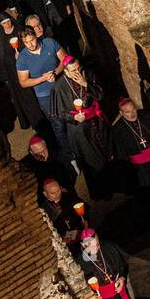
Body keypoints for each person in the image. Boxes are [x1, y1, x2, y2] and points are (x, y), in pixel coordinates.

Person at [50, 55, 112, 199]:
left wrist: (86, 84)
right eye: (73, 71)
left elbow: (101, 95)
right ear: (65, 72)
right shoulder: (59, 87)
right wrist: (73, 117)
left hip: (96, 122)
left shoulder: (88, 74)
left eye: (78, 68)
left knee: (105, 154)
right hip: (78, 129)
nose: (77, 73)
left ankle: (112, 185)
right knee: (89, 161)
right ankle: (99, 193)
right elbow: (59, 114)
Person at [15, 26, 71, 164]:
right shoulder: (22, 58)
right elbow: (23, 82)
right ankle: (70, 155)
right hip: (45, 96)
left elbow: (65, 59)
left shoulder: (49, 43)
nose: (30, 45)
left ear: (36, 36)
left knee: (72, 116)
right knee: (58, 124)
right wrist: (43, 78)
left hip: (63, 88)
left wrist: (56, 72)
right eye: (26, 42)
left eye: (32, 40)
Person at [0, 13, 45, 131]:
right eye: (4, 23)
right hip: (13, 72)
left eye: (8, 22)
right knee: (24, 97)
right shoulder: (0, 37)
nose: (7, 25)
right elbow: (0, 56)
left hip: (26, 67)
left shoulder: (18, 31)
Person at [110, 97, 150, 197]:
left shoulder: (144, 115)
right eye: (128, 112)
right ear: (121, 113)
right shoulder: (118, 129)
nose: (133, 114)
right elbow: (120, 153)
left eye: (134, 110)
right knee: (149, 192)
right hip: (140, 168)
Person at [38, 179, 85, 248]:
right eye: (52, 193)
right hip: (66, 244)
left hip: (81, 233)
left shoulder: (68, 196)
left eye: (58, 191)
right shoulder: (44, 209)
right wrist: (60, 238)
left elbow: (83, 207)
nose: (57, 195)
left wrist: (85, 219)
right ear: (45, 194)